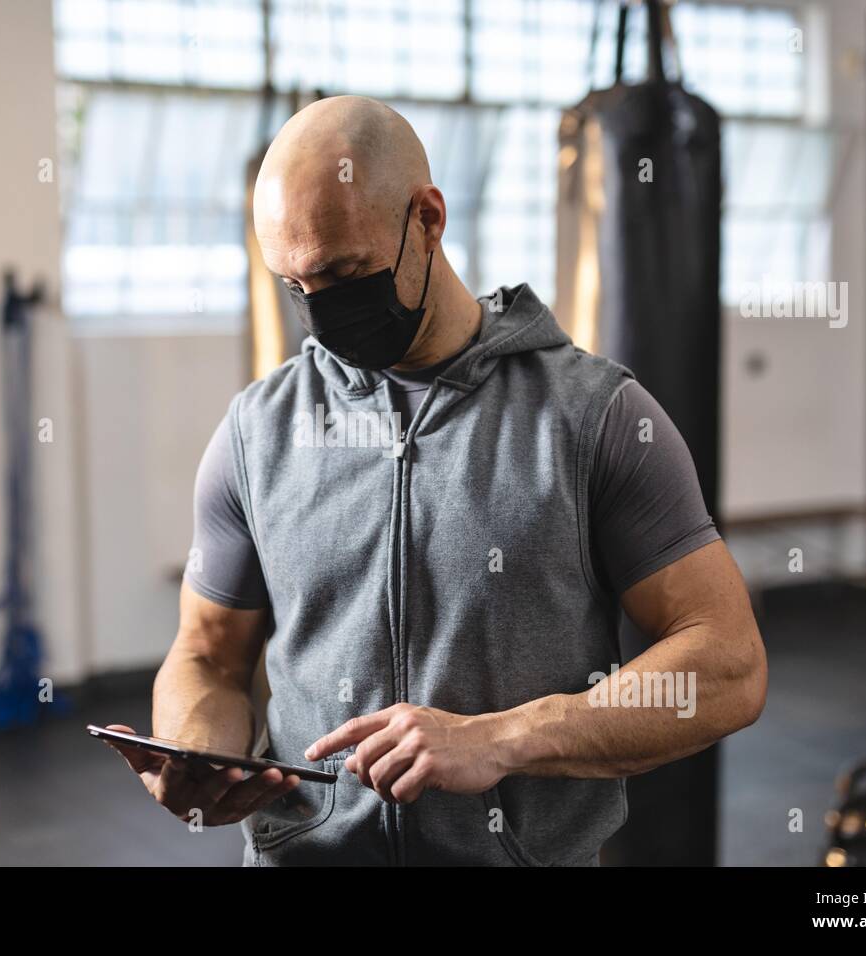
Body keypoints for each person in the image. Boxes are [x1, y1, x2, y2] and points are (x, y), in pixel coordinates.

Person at [107, 95, 766, 866]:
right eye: (295, 288)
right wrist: (200, 753)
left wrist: (504, 739)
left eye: (345, 272)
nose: (322, 317)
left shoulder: (595, 418)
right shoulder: (257, 431)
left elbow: (729, 663)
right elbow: (207, 656)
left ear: (427, 219)